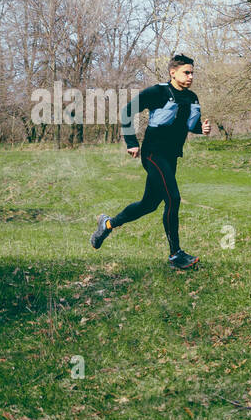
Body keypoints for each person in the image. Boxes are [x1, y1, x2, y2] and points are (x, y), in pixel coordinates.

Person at [90, 54, 211, 268]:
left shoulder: (192, 98)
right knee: (173, 198)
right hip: (153, 154)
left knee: (149, 204)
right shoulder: (158, 92)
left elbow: (189, 125)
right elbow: (127, 111)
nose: (191, 76)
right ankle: (175, 255)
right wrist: (131, 142)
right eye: (186, 72)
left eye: (192, 72)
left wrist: (202, 128)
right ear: (173, 72)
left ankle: (107, 224)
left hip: (171, 157)